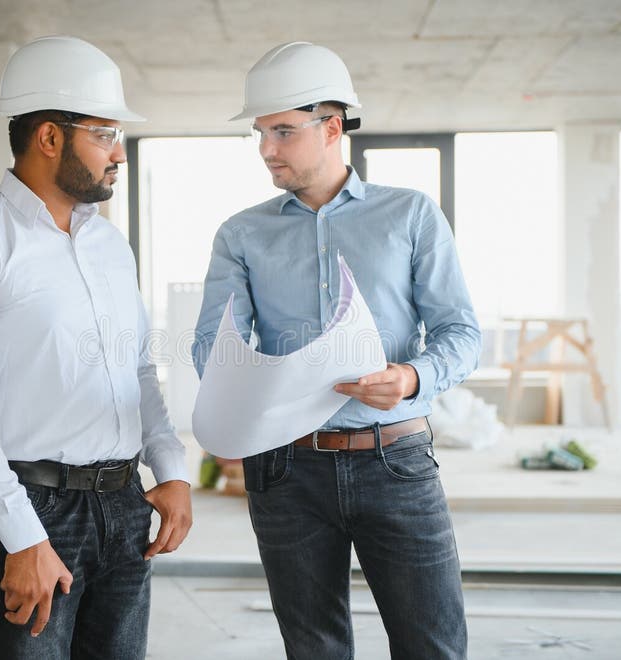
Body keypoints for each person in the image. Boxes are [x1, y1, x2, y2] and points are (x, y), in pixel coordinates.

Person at [192, 42, 480, 659]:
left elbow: (462, 335)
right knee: (314, 649)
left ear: (331, 127)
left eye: (283, 132)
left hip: (395, 461)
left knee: (433, 646)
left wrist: (408, 378)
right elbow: (211, 349)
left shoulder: (411, 215)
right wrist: (243, 395)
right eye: (261, 132)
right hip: (286, 472)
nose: (267, 149)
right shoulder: (241, 234)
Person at [0, 36, 192, 660]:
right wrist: (19, 536)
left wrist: (170, 468)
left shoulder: (109, 246)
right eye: (104, 135)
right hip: (27, 506)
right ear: (49, 138)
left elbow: (136, 367)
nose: (117, 154)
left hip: (123, 505)